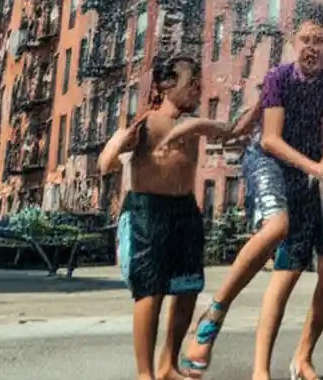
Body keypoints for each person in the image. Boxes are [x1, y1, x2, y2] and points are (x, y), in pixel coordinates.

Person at [178, 3, 323, 380]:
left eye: (320, 41)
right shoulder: (279, 78)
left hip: (305, 171)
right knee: (274, 228)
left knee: (288, 270)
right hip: (268, 161)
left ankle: (261, 372)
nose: (312, 48)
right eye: (305, 39)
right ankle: (215, 311)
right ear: (292, 40)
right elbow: (269, 140)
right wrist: (316, 167)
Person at [101, 55, 239, 380]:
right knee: (151, 292)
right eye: (190, 82)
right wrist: (122, 145)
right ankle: (145, 373)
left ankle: (168, 365)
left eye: (198, 84)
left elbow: (229, 131)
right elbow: (105, 163)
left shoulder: (191, 126)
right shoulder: (145, 123)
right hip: (148, 211)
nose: (197, 89)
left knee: (187, 288)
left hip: (185, 210)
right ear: (166, 85)